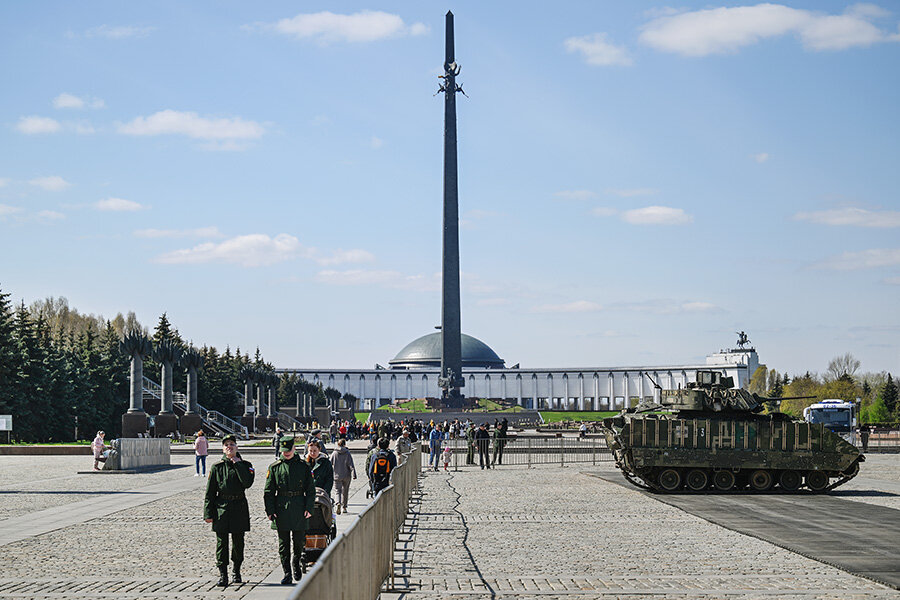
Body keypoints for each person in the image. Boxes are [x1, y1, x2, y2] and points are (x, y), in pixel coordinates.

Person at [204, 435, 255, 587]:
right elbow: (210, 492)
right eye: (226, 445)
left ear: (237, 447)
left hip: (239, 506)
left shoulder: (246, 465)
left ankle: (236, 571)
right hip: (222, 508)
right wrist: (208, 513)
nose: (229, 447)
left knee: (238, 543)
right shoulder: (217, 467)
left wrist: (238, 465)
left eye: (232, 444)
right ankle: (223, 574)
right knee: (222, 543)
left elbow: (247, 483)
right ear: (223, 449)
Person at [264, 436, 315, 585]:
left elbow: (310, 490)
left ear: (294, 448)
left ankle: (296, 561)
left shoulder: (303, 466)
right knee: (283, 544)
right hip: (281, 508)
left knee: (299, 541)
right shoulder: (275, 467)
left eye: (289, 450)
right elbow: (268, 491)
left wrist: (309, 508)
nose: (286, 453)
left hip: (299, 506)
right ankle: (287, 572)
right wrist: (270, 510)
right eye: (283, 450)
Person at [330, 438, 356, 515]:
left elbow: (329, 463)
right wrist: (354, 473)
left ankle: (338, 502)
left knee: (337, 491)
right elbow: (351, 464)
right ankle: (344, 507)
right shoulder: (347, 453)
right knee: (345, 491)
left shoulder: (334, 453)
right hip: (346, 475)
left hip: (337, 475)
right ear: (344, 444)